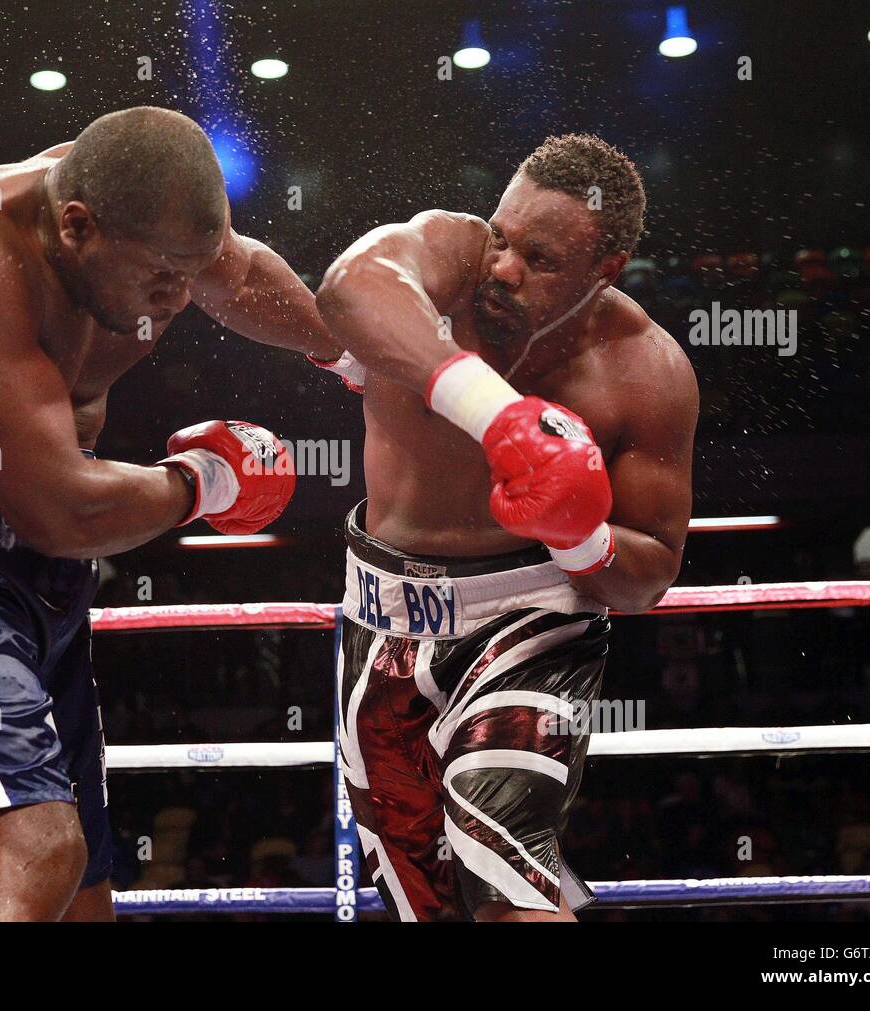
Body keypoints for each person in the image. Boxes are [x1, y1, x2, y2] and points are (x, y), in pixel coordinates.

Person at [0, 106, 340, 921]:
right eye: (161, 276)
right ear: (76, 226)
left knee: (79, 884)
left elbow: (236, 273)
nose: (176, 296)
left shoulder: (153, 224)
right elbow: (61, 511)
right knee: (32, 853)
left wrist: (345, 352)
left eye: (190, 272)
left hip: (40, 551)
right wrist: (206, 479)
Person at [314, 134, 698, 921]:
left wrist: (578, 533)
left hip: (535, 624)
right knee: (425, 896)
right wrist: (497, 418)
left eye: (542, 258)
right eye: (503, 235)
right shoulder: (450, 258)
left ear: (606, 271)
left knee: (498, 846)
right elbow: (347, 289)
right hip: (379, 619)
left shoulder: (644, 371)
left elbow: (653, 571)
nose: (504, 267)